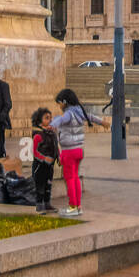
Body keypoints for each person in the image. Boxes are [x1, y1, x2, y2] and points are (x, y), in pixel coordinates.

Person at [52, 88, 106, 217]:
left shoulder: (69, 114)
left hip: (68, 151)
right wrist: (102, 122)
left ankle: (72, 206)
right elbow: (91, 117)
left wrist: (51, 124)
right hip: (79, 150)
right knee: (75, 178)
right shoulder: (79, 111)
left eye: (59, 103)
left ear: (64, 102)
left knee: (69, 179)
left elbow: (61, 120)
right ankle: (78, 206)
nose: (59, 106)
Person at [30, 107, 59, 214]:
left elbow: (56, 146)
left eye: (50, 118)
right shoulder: (38, 135)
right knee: (40, 186)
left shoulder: (51, 133)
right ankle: (39, 205)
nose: (50, 120)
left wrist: (58, 157)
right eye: (47, 118)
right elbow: (35, 151)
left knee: (48, 185)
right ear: (39, 121)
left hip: (49, 166)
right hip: (40, 166)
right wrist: (44, 158)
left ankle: (47, 203)